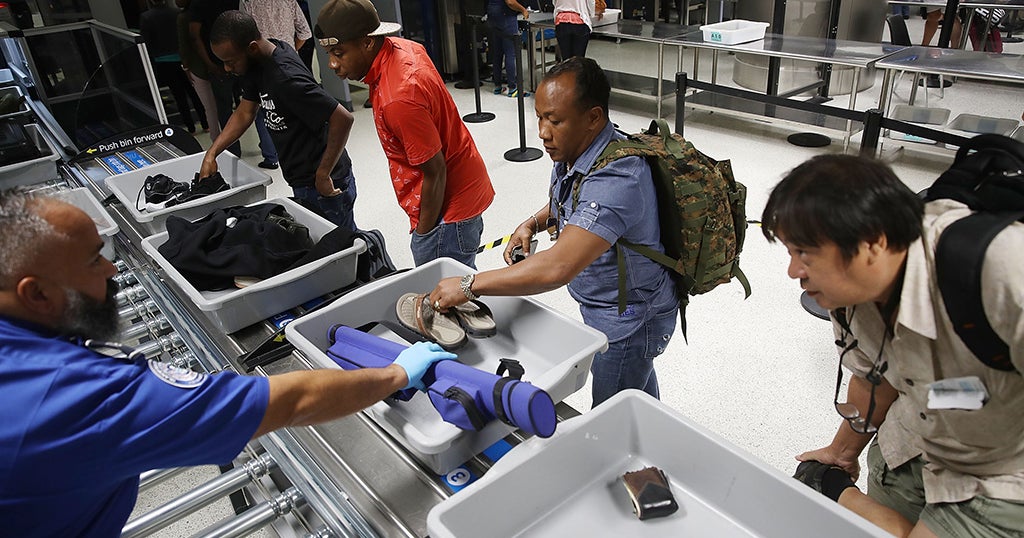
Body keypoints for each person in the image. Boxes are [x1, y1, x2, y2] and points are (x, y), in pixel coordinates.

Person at [0, 193, 456, 537]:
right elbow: (291, 401)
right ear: (36, 294)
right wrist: (399, 372)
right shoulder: (80, 396)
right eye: (92, 260)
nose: (112, 269)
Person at [761, 154, 1024, 537]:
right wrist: (842, 453)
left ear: (872, 243)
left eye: (804, 253)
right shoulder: (847, 295)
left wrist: (833, 488)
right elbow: (873, 380)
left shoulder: (1002, 274)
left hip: (1001, 475)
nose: (793, 272)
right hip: (910, 445)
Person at [427, 57, 678, 407]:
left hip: (630, 321)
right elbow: (574, 200)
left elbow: (557, 266)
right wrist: (532, 222)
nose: (543, 133)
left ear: (593, 118)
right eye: (540, 118)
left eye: (555, 121)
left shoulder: (619, 177)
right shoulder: (578, 148)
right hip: (609, 309)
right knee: (638, 395)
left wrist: (469, 285)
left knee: (611, 415)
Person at [314, 0, 495, 268]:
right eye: (329, 53)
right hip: (461, 187)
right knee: (460, 285)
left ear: (367, 43)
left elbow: (436, 171)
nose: (331, 64)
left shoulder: (399, 96)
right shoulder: (403, 48)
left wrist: (425, 234)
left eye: (339, 53)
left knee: (445, 298)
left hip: (448, 211)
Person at [199, 10, 360, 231]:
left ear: (252, 48)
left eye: (230, 61)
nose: (227, 68)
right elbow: (245, 112)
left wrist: (322, 175)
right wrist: (212, 152)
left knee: (344, 248)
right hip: (302, 177)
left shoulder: (286, 77)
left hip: (324, 180)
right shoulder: (259, 61)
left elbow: (342, 118)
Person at [239, 0, 314, 169]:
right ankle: (300, 150)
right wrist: (290, 51)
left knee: (263, 111)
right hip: (289, 63)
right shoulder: (289, 0)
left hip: (261, 64)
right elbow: (305, 32)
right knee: (295, 107)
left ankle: (271, 156)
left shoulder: (247, 2)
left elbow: (242, 35)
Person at [139, 0, 208, 134]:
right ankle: (205, 123)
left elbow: (147, 41)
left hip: (163, 61)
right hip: (182, 58)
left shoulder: (146, 17)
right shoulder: (177, 13)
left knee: (179, 95)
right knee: (193, 93)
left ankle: (190, 127)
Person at [188, 0, 243, 157]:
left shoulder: (198, 5)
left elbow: (194, 36)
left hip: (217, 61)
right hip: (240, 58)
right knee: (254, 105)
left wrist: (209, 63)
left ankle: (233, 152)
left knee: (225, 109)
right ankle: (269, 152)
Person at [177, 0, 221, 141]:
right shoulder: (213, 8)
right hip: (218, 62)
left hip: (199, 67)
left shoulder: (184, 18)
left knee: (210, 108)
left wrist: (186, 66)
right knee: (221, 107)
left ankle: (217, 141)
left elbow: (185, 43)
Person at [487, 0, 530, 97]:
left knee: (497, 53)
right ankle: (513, 89)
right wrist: (523, 10)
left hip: (493, 16)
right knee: (510, 53)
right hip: (505, 16)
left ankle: (497, 86)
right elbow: (510, 2)